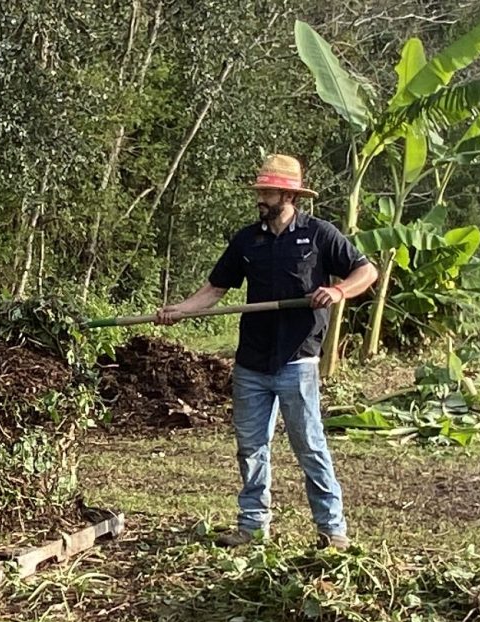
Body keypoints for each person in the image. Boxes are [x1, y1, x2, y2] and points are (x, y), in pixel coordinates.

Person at [156, 154, 379, 549]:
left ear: (289, 195)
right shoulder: (247, 240)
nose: (260, 197)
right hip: (252, 362)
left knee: (309, 446)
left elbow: (367, 271)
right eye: (260, 190)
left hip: (298, 360)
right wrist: (179, 310)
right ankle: (253, 526)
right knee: (251, 447)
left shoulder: (319, 235)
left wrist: (337, 290)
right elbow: (215, 289)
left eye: (268, 191)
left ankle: (332, 531)